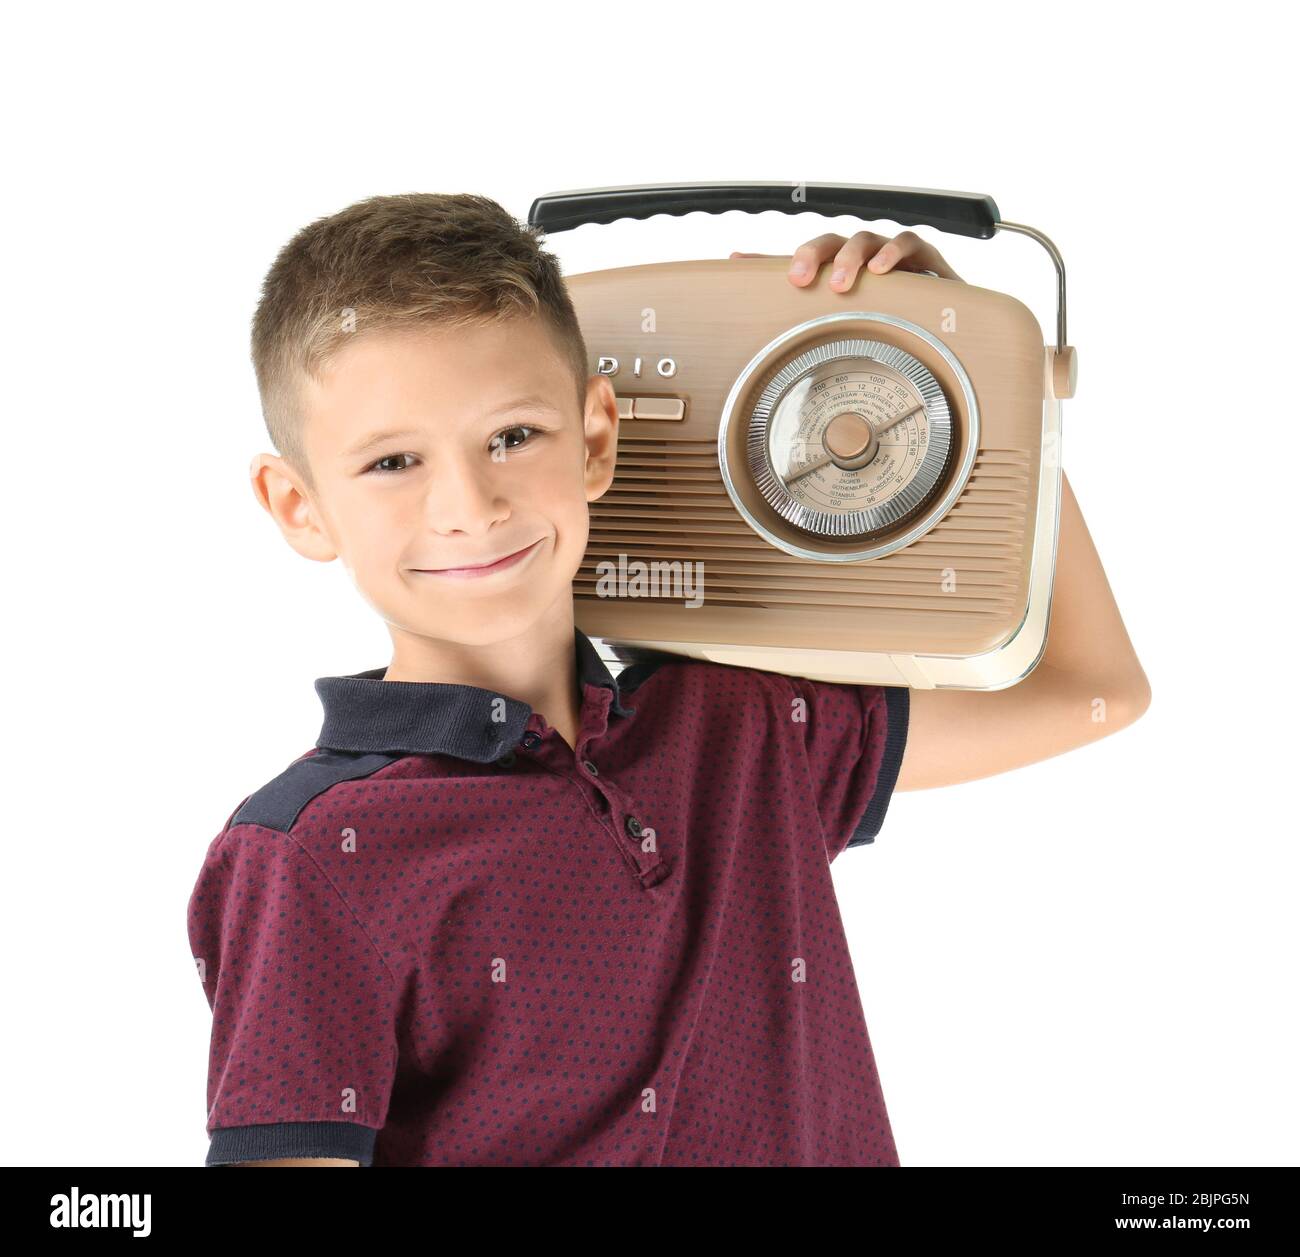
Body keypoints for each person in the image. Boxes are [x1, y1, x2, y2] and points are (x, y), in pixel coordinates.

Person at [187, 194, 1150, 1166]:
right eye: (393, 461)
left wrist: (982, 378)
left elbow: (1093, 688)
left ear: (595, 437)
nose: (468, 507)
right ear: (299, 506)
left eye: (513, 437)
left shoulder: (745, 722)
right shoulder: (307, 855)